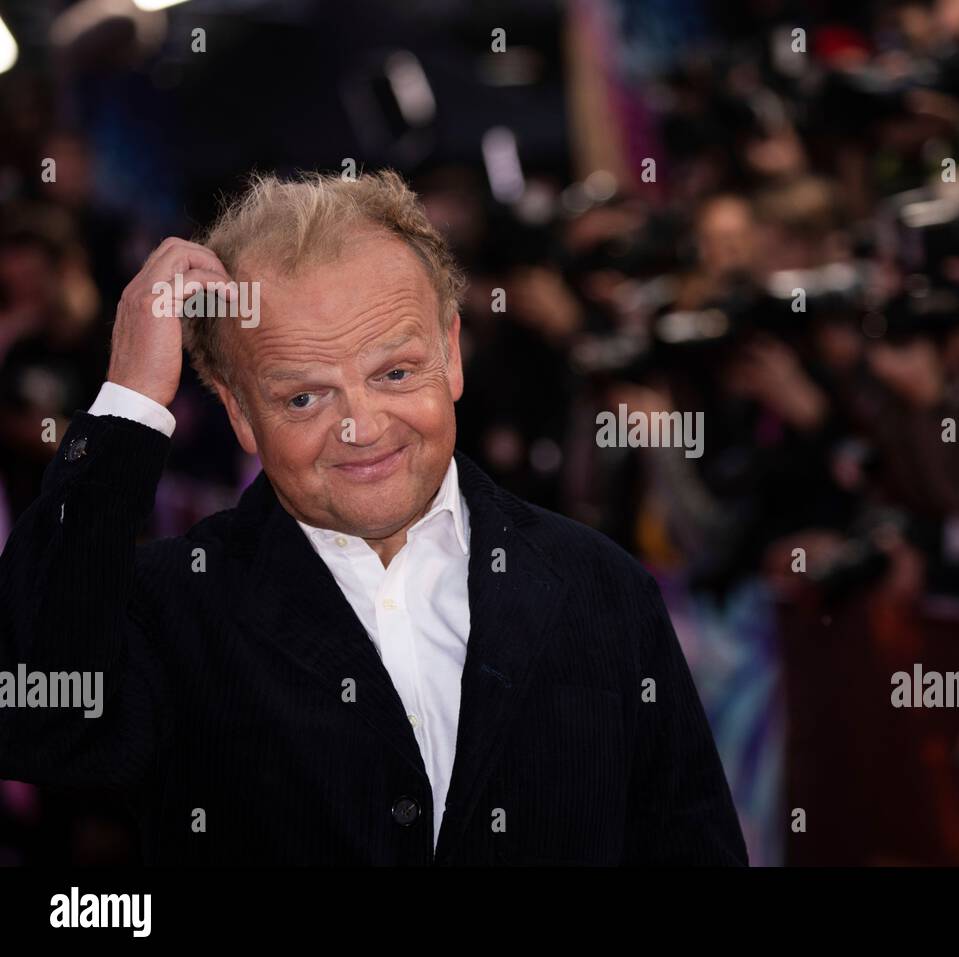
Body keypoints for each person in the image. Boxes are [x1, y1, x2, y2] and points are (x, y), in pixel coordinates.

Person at [0, 170, 747, 866]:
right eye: (304, 396)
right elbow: (36, 715)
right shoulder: (175, 607)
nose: (362, 424)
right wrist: (130, 401)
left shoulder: (601, 587)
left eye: (394, 372)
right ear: (240, 413)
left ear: (451, 355)